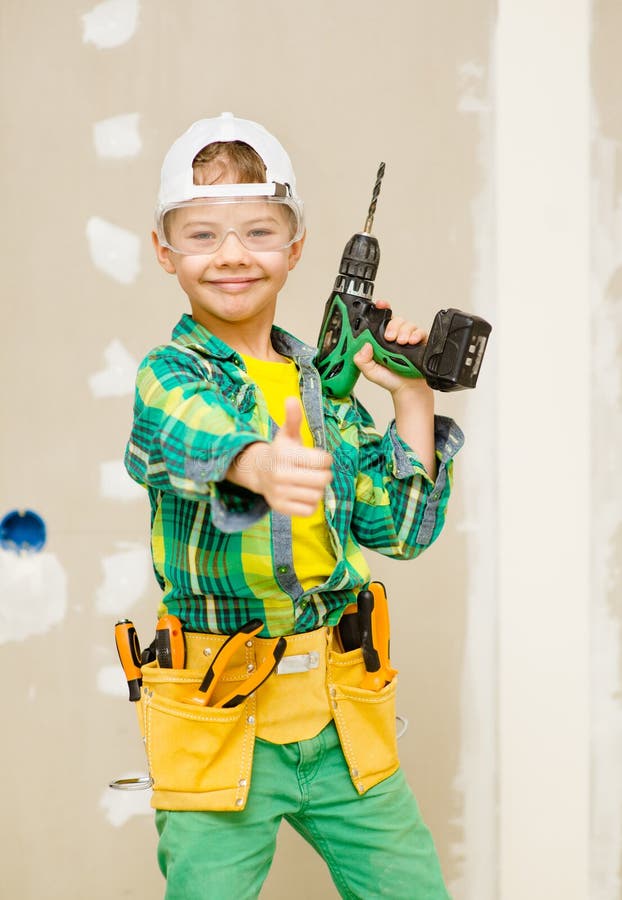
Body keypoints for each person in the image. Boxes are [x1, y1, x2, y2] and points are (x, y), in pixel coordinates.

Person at [124, 111, 463, 900]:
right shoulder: (170, 374)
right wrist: (257, 463)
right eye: (202, 235)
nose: (233, 255)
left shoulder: (329, 390)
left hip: (342, 708)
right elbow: (173, 435)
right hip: (218, 714)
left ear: (295, 249)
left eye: (258, 231)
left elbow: (401, 531)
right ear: (164, 251)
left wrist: (410, 398)